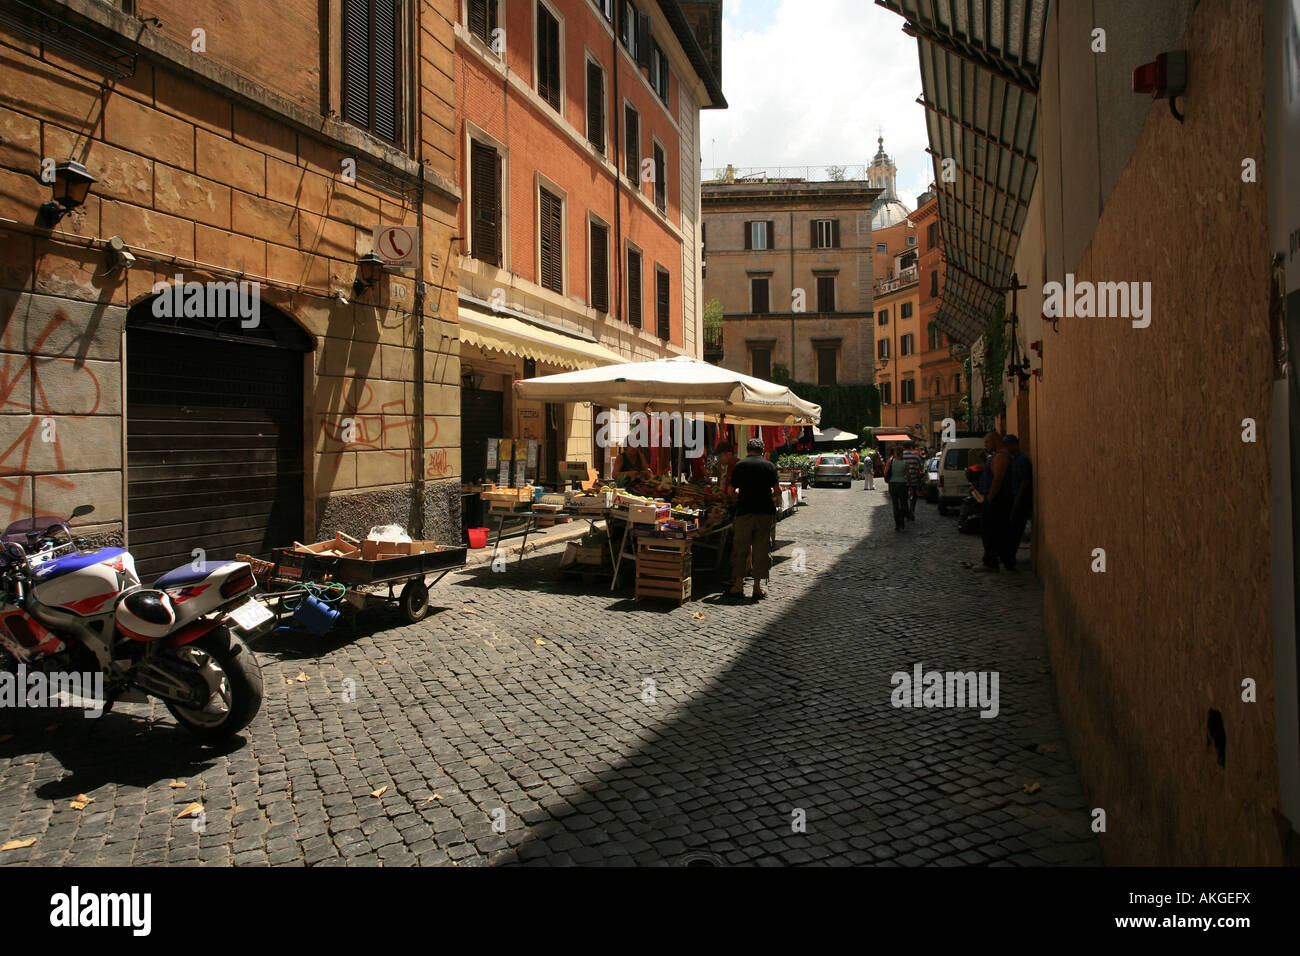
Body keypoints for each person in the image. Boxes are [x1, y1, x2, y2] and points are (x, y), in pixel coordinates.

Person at [728, 438, 780, 599]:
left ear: (747, 449)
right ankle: (757, 588)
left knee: (741, 548)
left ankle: (738, 585)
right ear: (762, 450)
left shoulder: (740, 466)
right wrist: (770, 497)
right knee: (761, 549)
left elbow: (731, 490)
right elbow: (777, 491)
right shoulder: (769, 466)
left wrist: (739, 496)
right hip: (765, 512)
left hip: (744, 512)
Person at [974, 431, 1014, 571]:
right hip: (996, 498)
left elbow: (998, 478)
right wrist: (985, 460)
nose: (985, 445)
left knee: (989, 530)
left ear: (995, 441)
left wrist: (990, 498)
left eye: (987, 442)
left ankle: (991, 561)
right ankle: (1001, 559)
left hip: (997, 499)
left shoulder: (1001, 457)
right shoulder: (997, 456)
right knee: (995, 529)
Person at [1004, 435, 1033, 570]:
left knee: (1015, 530)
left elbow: (1025, 481)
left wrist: (1018, 499)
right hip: (1015, 499)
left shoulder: (1022, 460)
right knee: (1013, 530)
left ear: (1014, 444)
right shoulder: (1015, 459)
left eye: (1008, 445)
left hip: (1020, 501)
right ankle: (1009, 557)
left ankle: (1010, 559)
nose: (1007, 449)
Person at [885, 446, 910, 531]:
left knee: (895, 505)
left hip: (892, 484)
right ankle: (902, 519)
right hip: (902, 484)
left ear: (895, 453)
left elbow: (885, 472)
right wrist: (909, 484)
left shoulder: (890, 461)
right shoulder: (905, 463)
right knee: (903, 504)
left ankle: (897, 525)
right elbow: (908, 475)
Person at [902, 442, 925, 520]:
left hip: (902, 480)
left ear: (903, 447)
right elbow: (921, 467)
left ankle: (906, 511)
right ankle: (911, 510)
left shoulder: (900, 456)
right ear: (911, 447)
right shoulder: (915, 456)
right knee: (914, 496)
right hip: (913, 480)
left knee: (904, 497)